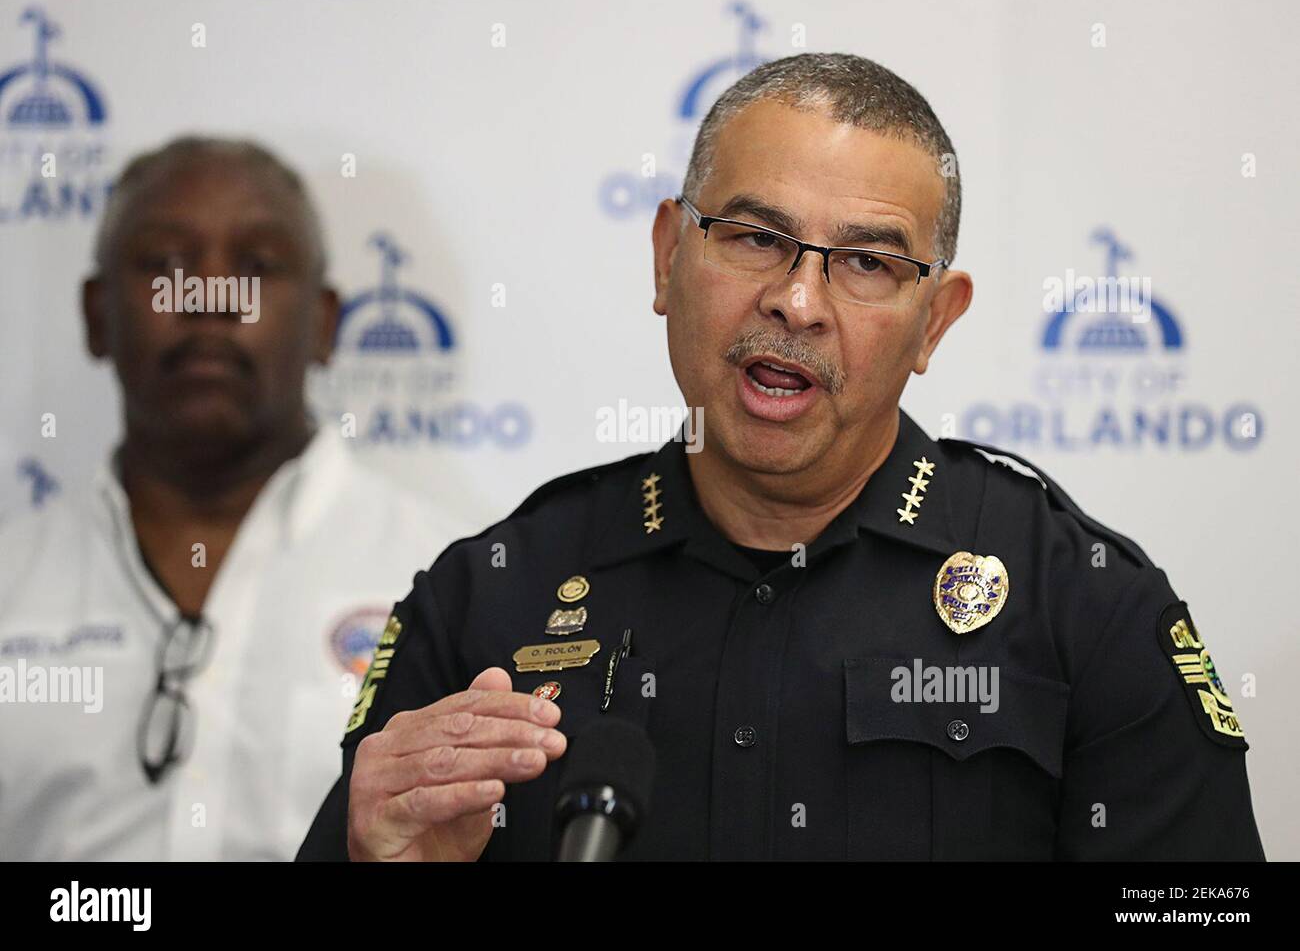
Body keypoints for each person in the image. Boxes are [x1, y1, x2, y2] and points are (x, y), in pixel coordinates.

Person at [298, 54, 1264, 861]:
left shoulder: (1087, 605)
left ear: (935, 322)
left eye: (867, 263)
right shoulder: (493, 595)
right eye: (758, 238)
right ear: (667, 256)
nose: (798, 302)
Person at [0, 136, 470, 860]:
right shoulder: (11, 582)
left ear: (324, 324)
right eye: (165, 265)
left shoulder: (448, 581)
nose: (210, 300)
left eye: (257, 267)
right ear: (97, 315)